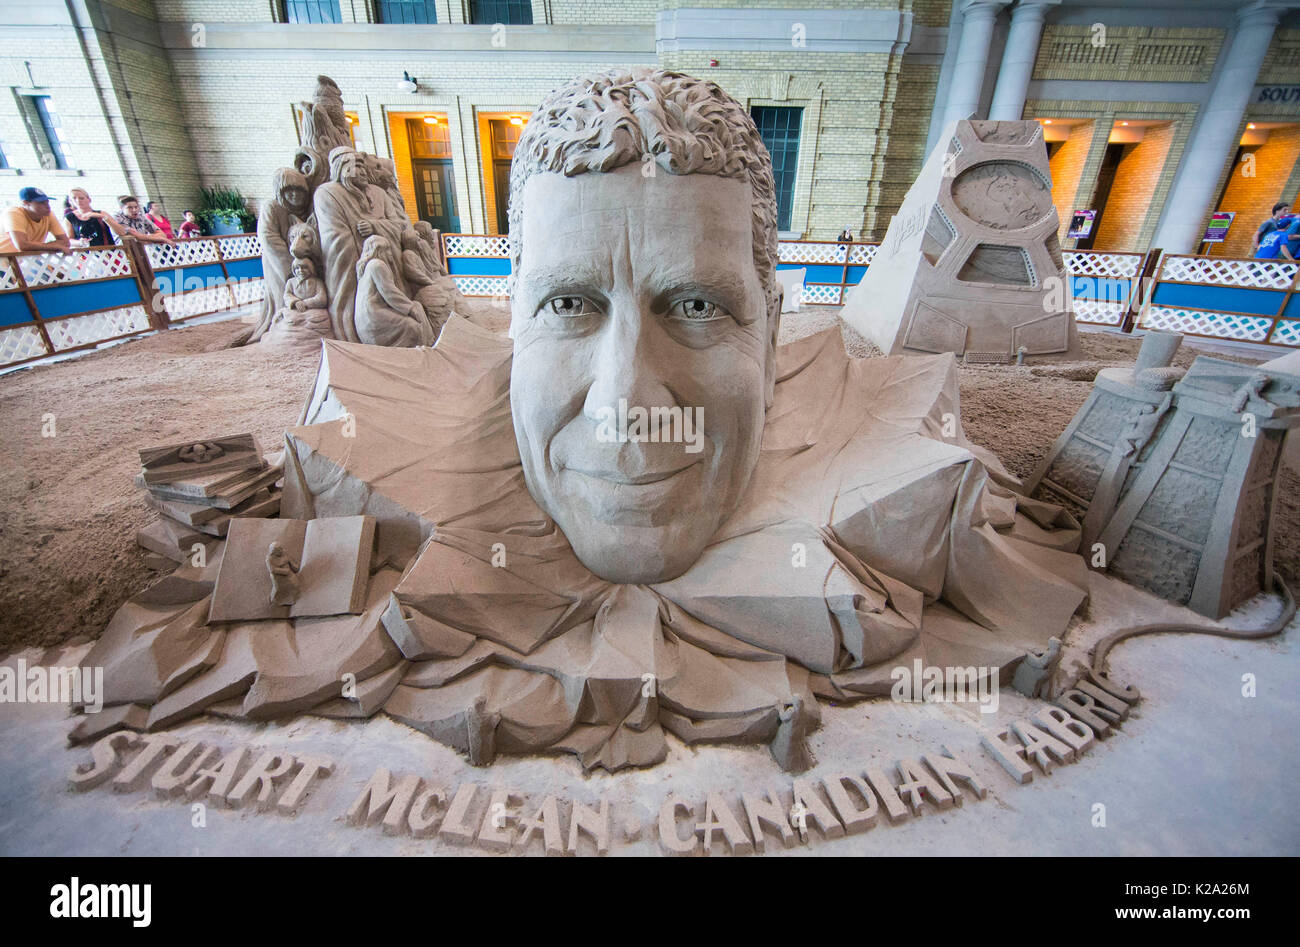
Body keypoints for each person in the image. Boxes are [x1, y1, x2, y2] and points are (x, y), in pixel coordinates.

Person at [0, 186, 70, 254]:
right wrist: (53, 245)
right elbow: (22, 245)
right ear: (25, 203)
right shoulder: (14, 212)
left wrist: (41, 246)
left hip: (26, 259)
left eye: (47, 202)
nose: (48, 206)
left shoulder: (48, 215)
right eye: (41, 203)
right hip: (4, 256)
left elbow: (65, 242)